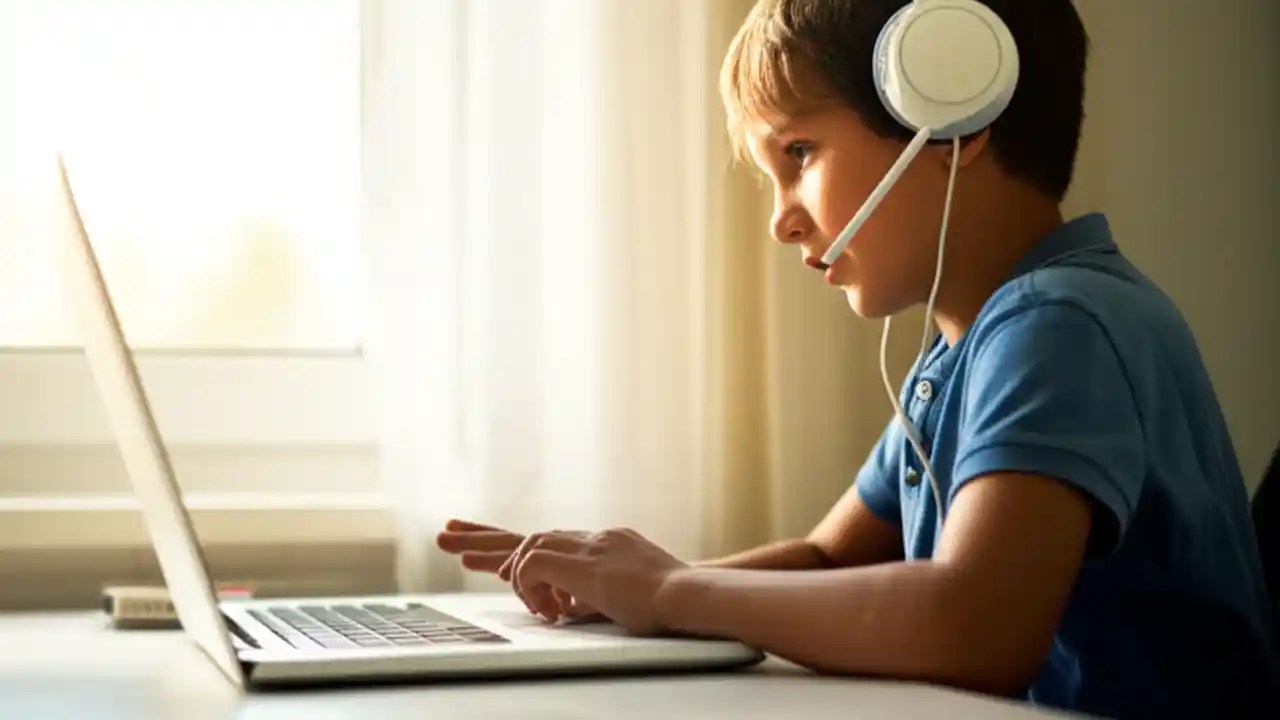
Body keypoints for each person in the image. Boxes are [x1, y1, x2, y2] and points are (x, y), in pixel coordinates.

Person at [436, 0, 1279, 716]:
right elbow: (831, 558)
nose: (782, 221)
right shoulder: (965, 346)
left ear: (952, 115)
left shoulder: (1060, 323)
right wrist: (626, 589)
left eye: (797, 155)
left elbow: (976, 626)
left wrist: (669, 594)